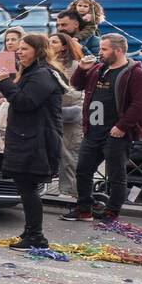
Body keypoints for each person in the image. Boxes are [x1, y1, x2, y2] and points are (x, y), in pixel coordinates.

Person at [65, 33, 142, 222]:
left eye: (104, 49)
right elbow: (77, 85)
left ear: (118, 50)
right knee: (83, 170)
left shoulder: (135, 73)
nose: (100, 53)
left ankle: (112, 213)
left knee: (116, 175)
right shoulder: (98, 69)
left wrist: (122, 126)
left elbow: (139, 105)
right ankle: (84, 209)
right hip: (93, 131)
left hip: (116, 134)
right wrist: (82, 69)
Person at [0, 33, 63, 248]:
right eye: (19, 49)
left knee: (28, 187)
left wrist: (5, 82)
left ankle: (35, 236)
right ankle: (30, 232)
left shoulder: (43, 74)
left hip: (37, 140)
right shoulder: (33, 72)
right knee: (25, 186)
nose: (19, 52)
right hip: (28, 138)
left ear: (38, 50)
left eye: (24, 49)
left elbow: (25, 102)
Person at [49, 34, 85, 199]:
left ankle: (69, 191)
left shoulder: (75, 66)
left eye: (54, 42)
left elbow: (75, 93)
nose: (50, 44)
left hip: (70, 116)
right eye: (48, 42)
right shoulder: (46, 64)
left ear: (64, 46)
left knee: (68, 154)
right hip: (51, 115)